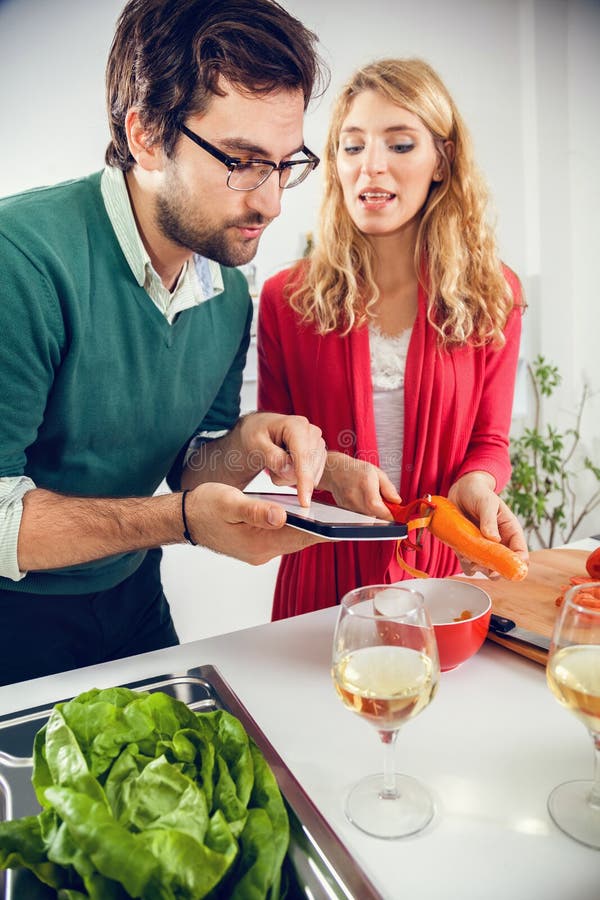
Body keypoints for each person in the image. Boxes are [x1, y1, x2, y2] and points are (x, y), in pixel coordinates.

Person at [0, 0, 331, 685]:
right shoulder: (20, 263)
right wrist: (182, 520)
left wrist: (248, 443)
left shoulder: (230, 288)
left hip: (132, 598)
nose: (270, 201)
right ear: (147, 135)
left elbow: (191, 467)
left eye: (284, 164)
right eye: (242, 161)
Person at [257, 57, 529, 620]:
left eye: (400, 145)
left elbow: (490, 441)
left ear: (441, 160)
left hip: (443, 586)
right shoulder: (286, 299)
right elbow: (271, 447)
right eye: (352, 147)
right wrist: (331, 470)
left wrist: (477, 486)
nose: (371, 167)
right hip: (319, 582)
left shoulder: (493, 294)